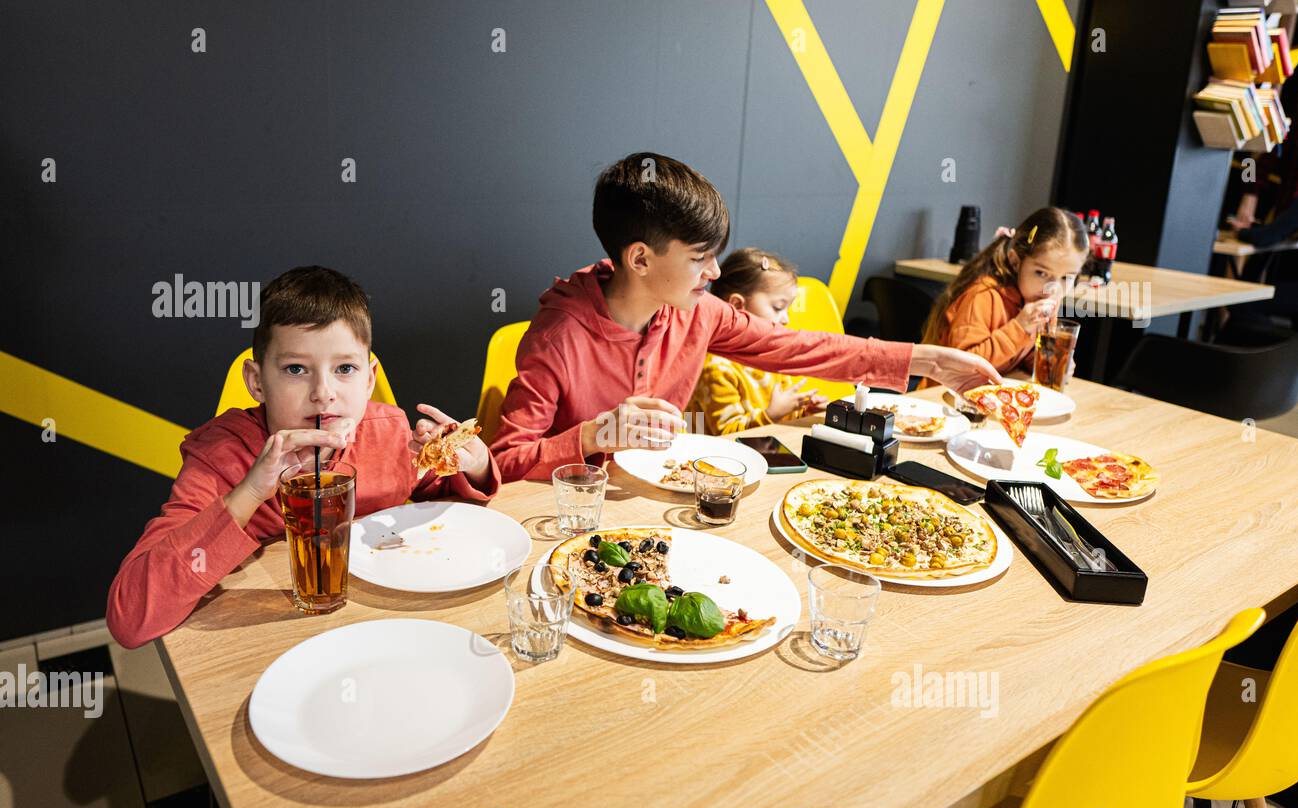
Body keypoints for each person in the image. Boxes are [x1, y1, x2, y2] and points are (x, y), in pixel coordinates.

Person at [490, 151, 1000, 481]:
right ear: (640, 259)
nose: (714, 272)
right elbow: (503, 463)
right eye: (698, 257)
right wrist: (591, 436)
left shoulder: (699, 314)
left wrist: (925, 359)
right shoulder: (558, 335)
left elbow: (802, 347)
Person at [106, 266, 499, 649]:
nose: (323, 392)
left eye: (344, 368)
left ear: (368, 380)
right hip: (269, 637)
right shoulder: (220, 458)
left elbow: (452, 502)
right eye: (296, 369)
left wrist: (471, 462)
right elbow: (130, 617)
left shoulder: (390, 433)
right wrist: (247, 494)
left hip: (383, 629)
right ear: (257, 382)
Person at [920, 207, 1089, 378]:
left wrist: (1048, 361)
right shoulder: (983, 295)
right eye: (1041, 273)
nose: (1053, 288)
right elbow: (964, 366)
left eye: (1066, 278)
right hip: (940, 398)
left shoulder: (1040, 297)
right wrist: (1019, 328)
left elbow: (1020, 357)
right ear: (1015, 261)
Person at [686, 247, 829, 434]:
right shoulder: (715, 367)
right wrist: (771, 414)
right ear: (737, 306)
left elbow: (777, 421)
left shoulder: (773, 356)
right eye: (778, 308)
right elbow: (728, 434)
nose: (786, 319)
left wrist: (801, 411)